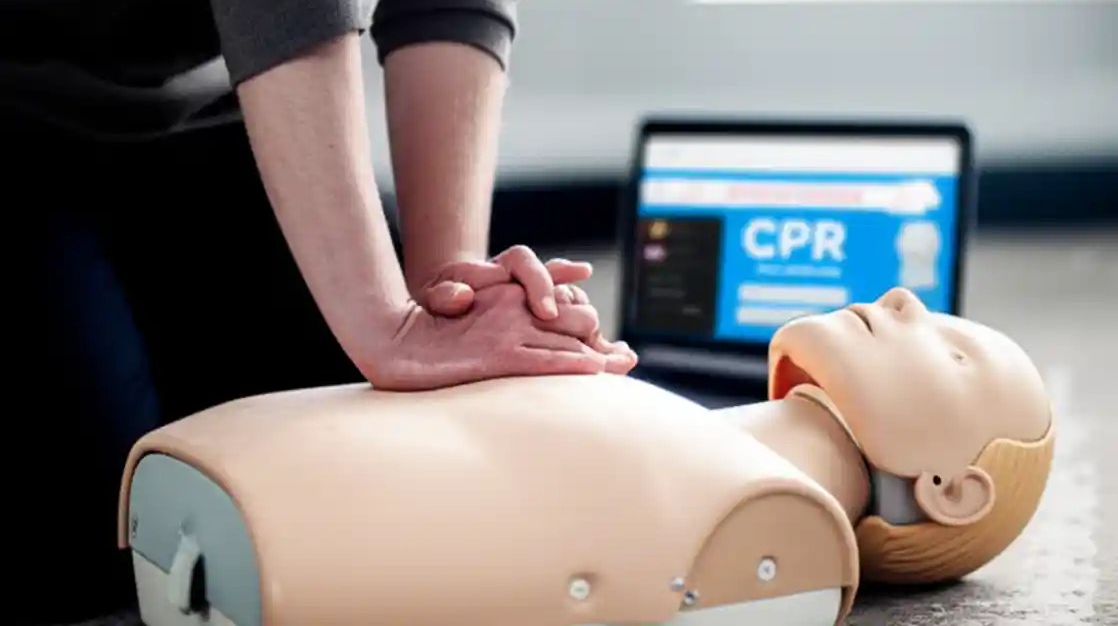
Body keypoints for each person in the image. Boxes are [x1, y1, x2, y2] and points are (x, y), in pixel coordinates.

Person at [4, 0, 634, 622]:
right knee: (95, 530)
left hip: (201, 97)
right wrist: (384, 327)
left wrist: (449, 296)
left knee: (337, 505)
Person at [115, 286, 1055, 625]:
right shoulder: (682, 433)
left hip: (269, 527)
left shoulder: (783, 532)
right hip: (256, 471)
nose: (901, 298)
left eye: (952, 349)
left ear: (951, 491)